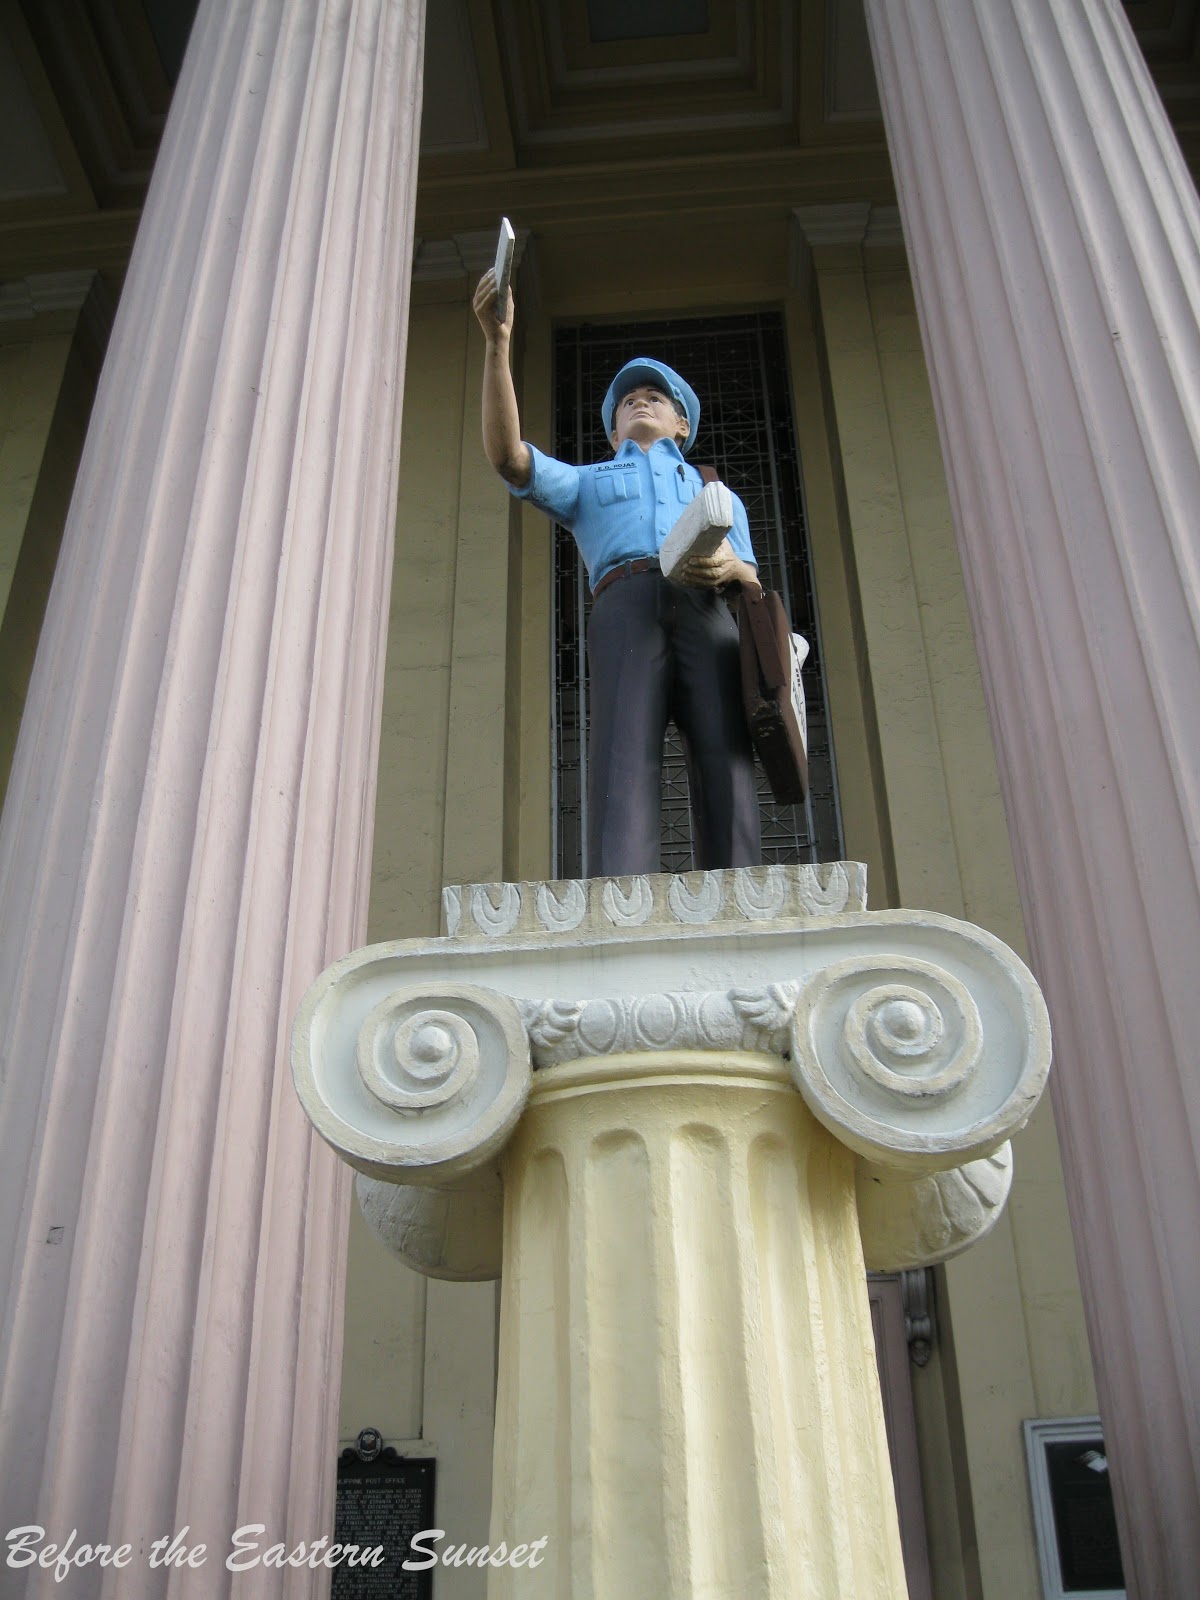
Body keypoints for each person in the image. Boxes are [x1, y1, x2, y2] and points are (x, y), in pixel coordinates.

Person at [473, 266, 762, 877]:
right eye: (628, 400)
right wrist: (498, 346)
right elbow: (510, 457)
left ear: (682, 422)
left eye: (654, 396)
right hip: (625, 600)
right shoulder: (591, 480)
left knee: (724, 751)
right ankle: (621, 892)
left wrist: (731, 563)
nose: (639, 401)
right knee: (622, 751)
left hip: (706, 607)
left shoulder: (715, 492)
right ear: (612, 431)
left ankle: (738, 884)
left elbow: (753, 579)